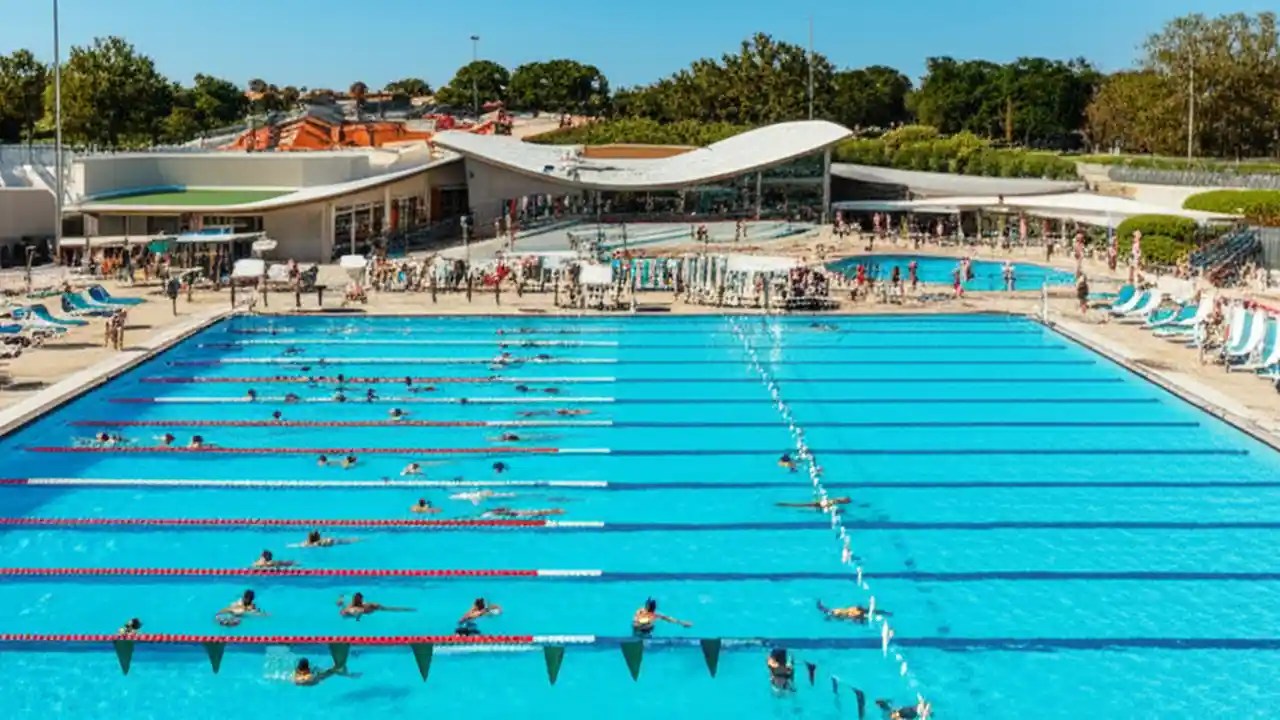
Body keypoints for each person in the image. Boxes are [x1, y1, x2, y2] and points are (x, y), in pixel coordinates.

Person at [816, 600, 890, 623]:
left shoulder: (835, 613)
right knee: (869, 613)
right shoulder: (835, 613)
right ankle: (885, 613)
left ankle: (884, 613)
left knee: (868, 614)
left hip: (855, 612)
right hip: (855, 612)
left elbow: (843, 617)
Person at [292, 530, 360, 548]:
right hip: (332, 542)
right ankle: (356, 539)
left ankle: (356, 539)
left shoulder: (312, 543)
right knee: (348, 541)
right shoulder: (315, 543)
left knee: (348, 541)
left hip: (332, 542)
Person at [777, 497, 851, 511]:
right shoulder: (835, 501)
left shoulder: (836, 500)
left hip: (820, 504)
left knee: (800, 505)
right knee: (800, 505)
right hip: (819, 505)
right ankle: (784, 504)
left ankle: (784, 504)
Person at [483, 507, 564, 518]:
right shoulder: (490, 514)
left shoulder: (489, 514)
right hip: (516, 513)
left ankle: (556, 511)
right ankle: (556, 511)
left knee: (537, 513)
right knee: (538, 512)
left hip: (517, 513)